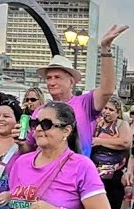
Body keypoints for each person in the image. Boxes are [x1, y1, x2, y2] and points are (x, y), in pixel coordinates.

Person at [28, 25, 128, 156]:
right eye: (48, 78)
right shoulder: (39, 111)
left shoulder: (84, 103)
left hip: (75, 172)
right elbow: (28, 147)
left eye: (57, 77)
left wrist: (105, 49)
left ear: (71, 81)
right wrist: (19, 141)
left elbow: (107, 89)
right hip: (45, 172)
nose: (51, 82)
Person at [90, 97, 132, 209]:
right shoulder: (97, 124)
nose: (107, 112)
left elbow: (125, 143)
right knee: (89, 205)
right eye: (105, 108)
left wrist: (100, 141)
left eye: (111, 109)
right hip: (94, 171)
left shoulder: (122, 125)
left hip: (114, 173)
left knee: (113, 208)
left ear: (118, 112)